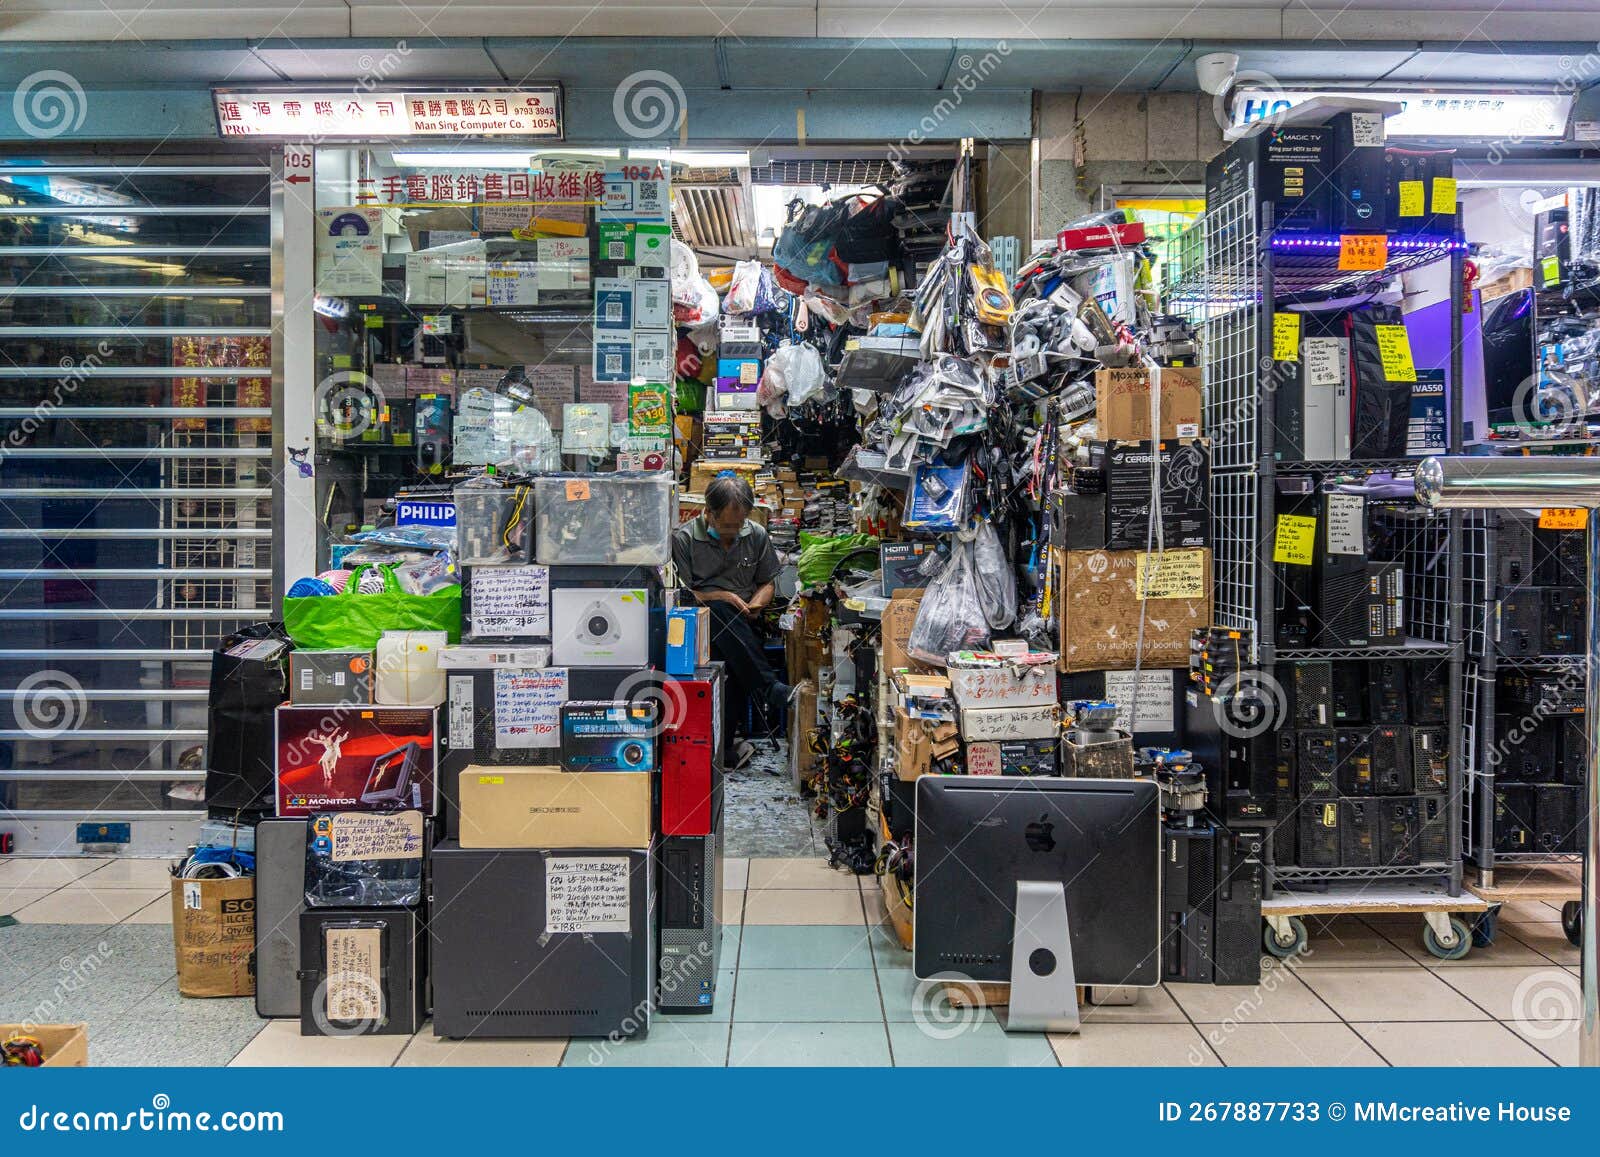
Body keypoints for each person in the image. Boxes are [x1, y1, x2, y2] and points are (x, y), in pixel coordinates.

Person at [671, 475, 790, 768]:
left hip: (745, 627)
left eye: (738, 526)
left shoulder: (757, 535)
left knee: (732, 658)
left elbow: (767, 583)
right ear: (708, 513)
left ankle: (722, 750)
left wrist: (755, 604)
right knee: (721, 613)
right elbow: (682, 596)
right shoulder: (684, 540)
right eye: (726, 526)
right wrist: (722, 596)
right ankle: (769, 688)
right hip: (698, 627)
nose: (732, 533)